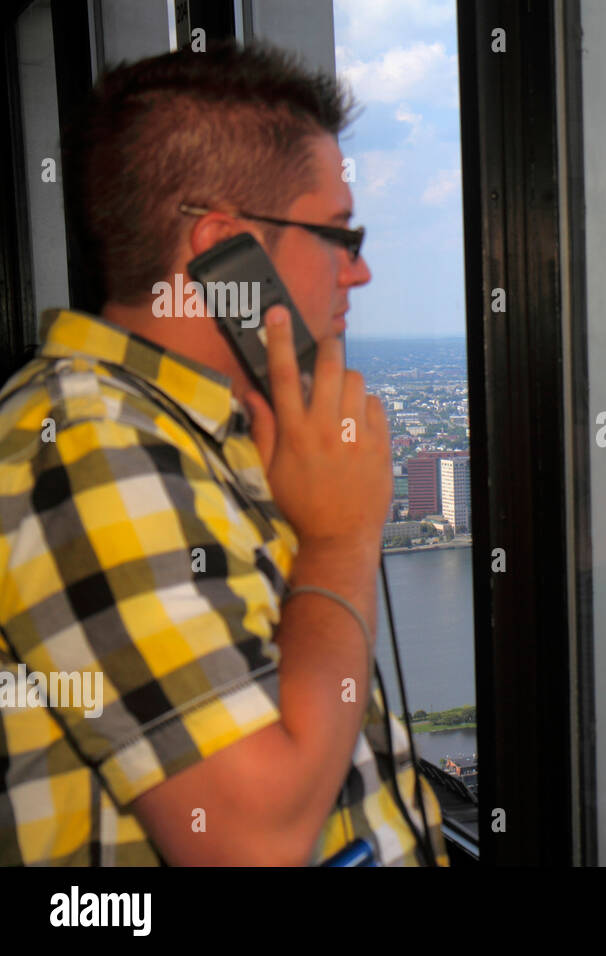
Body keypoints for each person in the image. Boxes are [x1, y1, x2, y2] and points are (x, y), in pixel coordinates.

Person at [0, 40, 448, 866]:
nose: (363, 272)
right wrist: (343, 540)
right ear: (222, 255)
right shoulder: (85, 444)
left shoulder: (216, 434)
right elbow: (253, 839)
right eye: (338, 233)